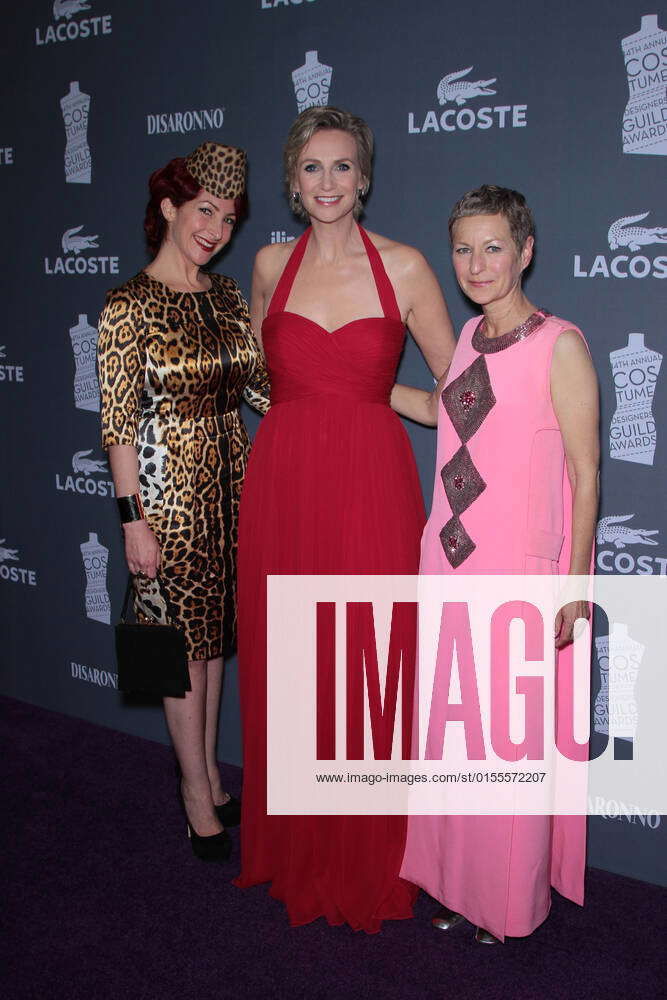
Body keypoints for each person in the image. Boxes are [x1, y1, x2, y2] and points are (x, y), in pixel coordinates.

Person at [234, 106, 455, 932]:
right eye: (311, 168)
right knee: (290, 666)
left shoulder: (404, 268)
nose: (327, 183)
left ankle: (370, 854)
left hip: (370, 481)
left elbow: (453, 394)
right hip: (285, 484)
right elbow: (267, 373)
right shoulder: (265, 265)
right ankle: (298, 849)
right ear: (292, 183)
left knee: (368, 665)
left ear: (364, 177)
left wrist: (368, 395)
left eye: (342, 167)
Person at [400, 185, 599, 942]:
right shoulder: (463, 345)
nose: (475, 264)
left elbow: (585, 471)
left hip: (519, 571)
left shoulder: (560, 344)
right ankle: (455, 884)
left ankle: (508, 905)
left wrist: (574, 590)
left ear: (524, 250)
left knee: (505, 745)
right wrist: (363, 392)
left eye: (492, 247)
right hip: (447, 563)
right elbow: (443, 411)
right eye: (462, 248)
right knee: (454, 737)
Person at [98, 142, 270, 862]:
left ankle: (206, 771)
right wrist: (132, 521)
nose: (215, 229)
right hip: (166, 498)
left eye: (228, 219)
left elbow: (260, 390)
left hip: (235, 488)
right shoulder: (127, 306)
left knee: (215, 641)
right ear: (168, 208)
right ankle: (195, 791)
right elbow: (115, 424)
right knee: (180, 648)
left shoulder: (229, 297)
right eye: (204, 210)